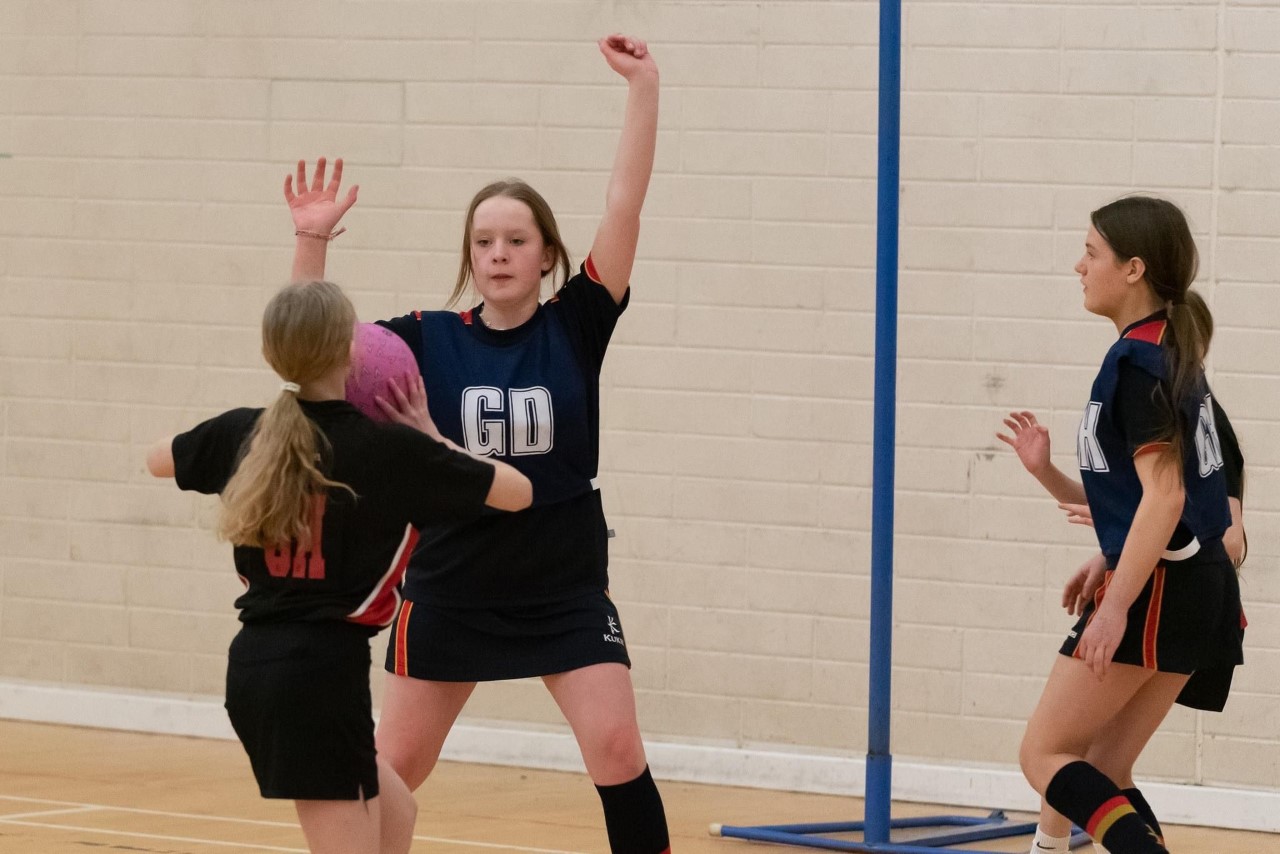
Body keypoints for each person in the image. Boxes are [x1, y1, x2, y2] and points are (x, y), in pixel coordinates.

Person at [282, 35, 668, 853]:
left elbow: (625, 205)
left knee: (617, 748)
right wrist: (311, 242)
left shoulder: (578, 322)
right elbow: (310, 348)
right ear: (470, 254)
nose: (498, 253)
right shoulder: (422, 340)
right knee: (391, 767)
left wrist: (643, 88)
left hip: (562, 584)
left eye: (517, 240)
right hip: (453, 583)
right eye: (485, 240)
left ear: (546, 255)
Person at [146, 279, 532, 854]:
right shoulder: (393, 452)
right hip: (318, 678)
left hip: (261, 667)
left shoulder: (248, 433)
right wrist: (431, 437)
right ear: (352, 353)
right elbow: (518, 492)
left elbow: (157, 460)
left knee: (397, 812)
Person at [1011, 196, 1244, 854]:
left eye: (1091, 252)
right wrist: (1057, 484)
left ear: (1134, 268)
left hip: (1164, 588)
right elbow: (1160, 499)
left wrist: (1115, 605)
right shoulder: (1165, 354)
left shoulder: (1140, 364)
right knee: (1105, 770)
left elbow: (1166, 499)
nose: (1078, 266)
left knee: (1044, 756)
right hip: (1198, 588)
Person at [998, 404, 1246, 854]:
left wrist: (1127, 563)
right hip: (1170, 593)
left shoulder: (1181, 400)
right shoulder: (1159, 399)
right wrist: (1046, 473)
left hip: (1170, 598)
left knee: (1051, 751)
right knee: (1098, 765)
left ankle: (1049, 847)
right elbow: (1126, 514)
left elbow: (1226, 538)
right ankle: (1049, 846)